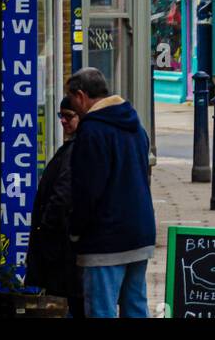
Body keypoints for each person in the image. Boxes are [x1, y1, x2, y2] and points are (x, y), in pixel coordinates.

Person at [66, 67, 156, 318]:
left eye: (71, 99)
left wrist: (75, 231)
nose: (72, 105)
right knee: (136, 306)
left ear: (81, 96)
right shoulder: (135, 125)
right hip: (140, 232)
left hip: (106, 239)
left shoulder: (92, 130)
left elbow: (87, 189)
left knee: (101, 310)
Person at [26, 97, 83, 316]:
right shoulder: (71, 148)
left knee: (72, 303)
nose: (63, 121)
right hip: (61, 246)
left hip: (62, 246)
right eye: (61, 116)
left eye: (69, 116)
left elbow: (62, 196)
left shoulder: (75, 150)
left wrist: (45, 227)